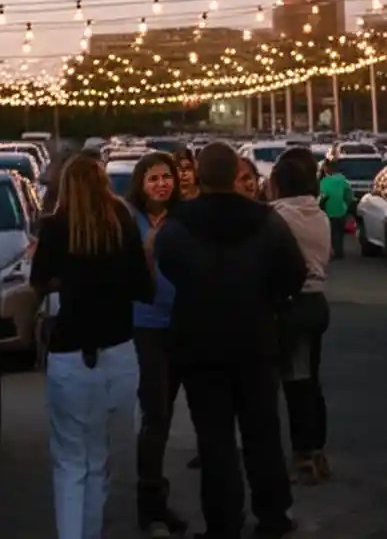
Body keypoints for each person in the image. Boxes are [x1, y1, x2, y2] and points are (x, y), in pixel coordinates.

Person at [155, 142, 307, 539]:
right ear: (234, 173)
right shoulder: (267, 221)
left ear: (200, 176)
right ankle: (273, 515)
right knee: (263, 434)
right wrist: (267, 297)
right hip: (256, 340)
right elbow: (294, 273)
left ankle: (223, 523)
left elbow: (167, 263)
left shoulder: (179, 223)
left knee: (214, 441)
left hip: (199, 343)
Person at [30, 153, 154, 539]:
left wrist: (68, 282)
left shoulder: (54, 227)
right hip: (119, 350)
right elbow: (144, 290)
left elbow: (38, 280)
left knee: (70, 462)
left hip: (71, 352)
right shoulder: (122, 225)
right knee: (100, 458)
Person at [125, 152, 189, 537]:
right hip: (144, 325)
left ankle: (164, 503)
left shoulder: (184, 218)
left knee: (182, 412)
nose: (162, 183)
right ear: (141, 183)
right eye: (153, 178)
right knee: (156, 416)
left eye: (167, 177)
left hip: (184, 322)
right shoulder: (128, 220)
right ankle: (150, 506)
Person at [269, 148, 333, 486]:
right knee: (311, 379)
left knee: (295, 382)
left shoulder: (276, 216)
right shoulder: (319, 215)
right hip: (317, 303)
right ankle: (316, 449)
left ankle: (304, 454)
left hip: (291, 304)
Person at [318, 161, 353, 260]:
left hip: (328, 211)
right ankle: (339, 251)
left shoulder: (323, 182)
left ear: (326, 169)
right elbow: (349, 195)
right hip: (341, 210)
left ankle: (332, 251)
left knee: (331, 233)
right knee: (339, 233)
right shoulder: (343, 180)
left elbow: (320, 198)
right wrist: (346, 204)